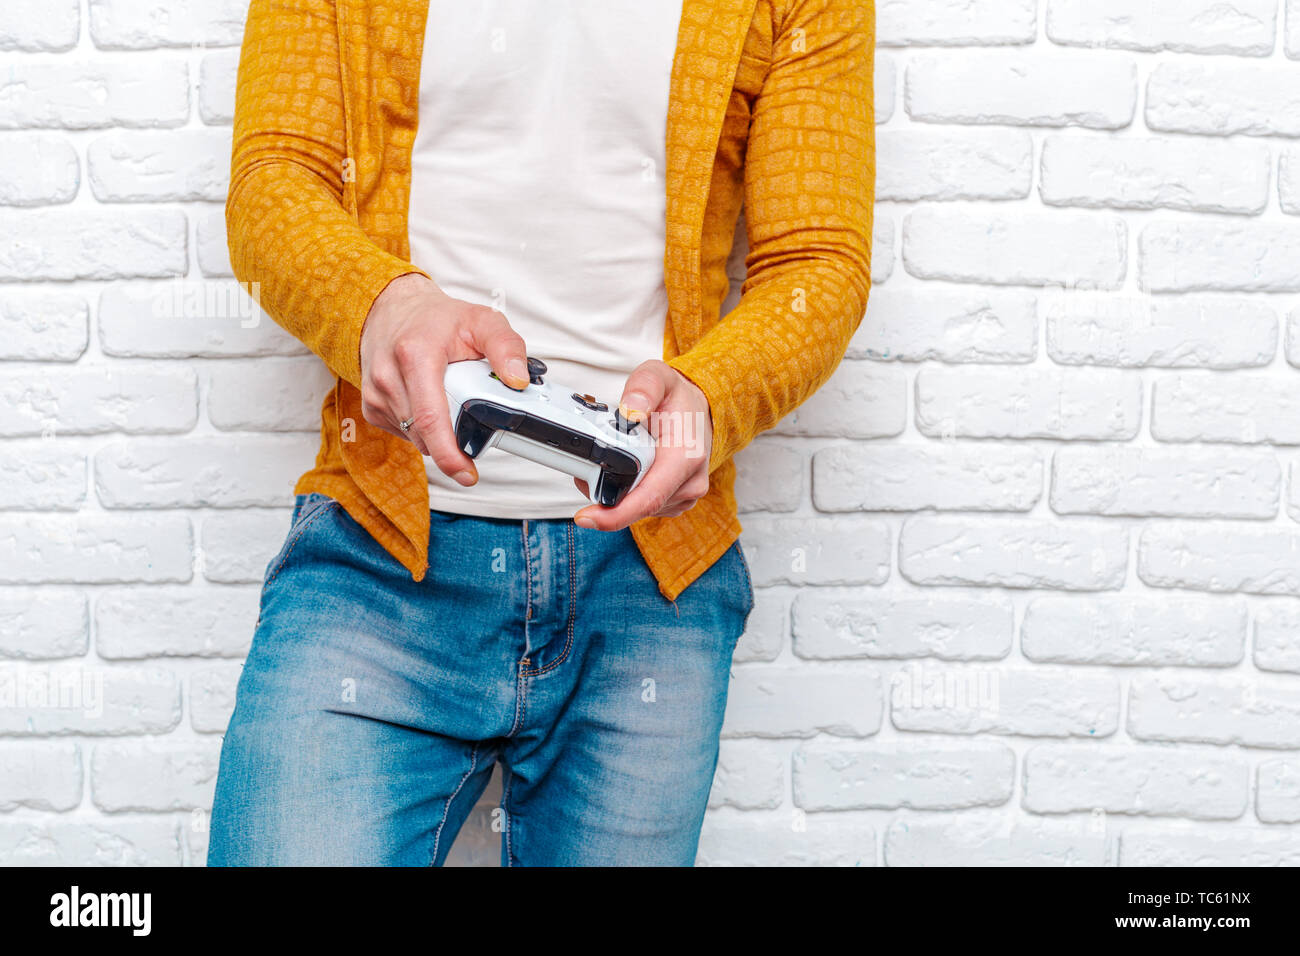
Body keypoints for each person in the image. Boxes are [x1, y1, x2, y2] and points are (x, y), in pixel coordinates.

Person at [207, 0, 874, 866]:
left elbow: (816, 258)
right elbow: (274, 181)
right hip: (380, 554)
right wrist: (388, 305)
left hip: (650, 577)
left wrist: (712, 393)